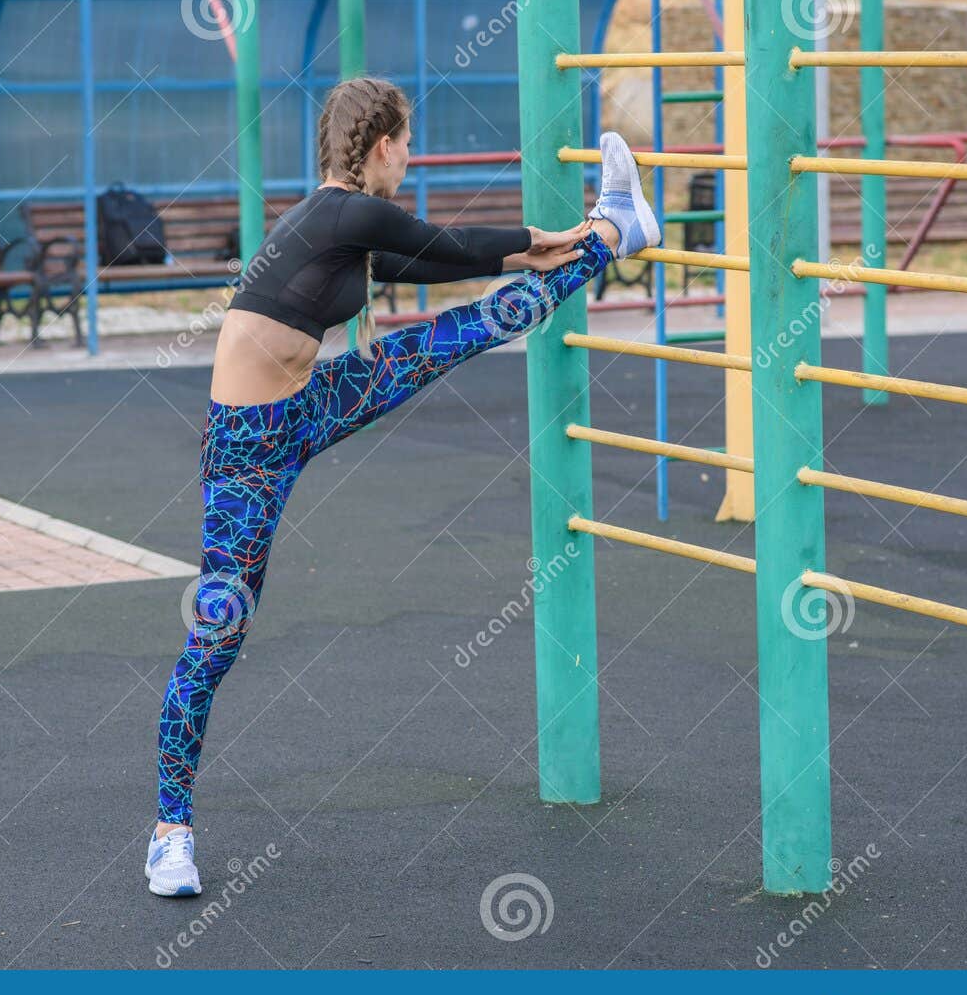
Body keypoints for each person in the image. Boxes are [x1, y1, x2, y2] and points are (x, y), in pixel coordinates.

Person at [147, 76, 662, 896]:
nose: (410, 160)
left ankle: (615, 234)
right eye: (408, 145)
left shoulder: (347, 226)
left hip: (307, 406)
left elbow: (431, 262)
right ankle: (171, 833)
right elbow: (448, 246)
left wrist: (553, 248)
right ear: (382, 145)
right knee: (217, 633)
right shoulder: (340, 212)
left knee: (460, 334)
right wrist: (546, 233)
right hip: (246, 450)